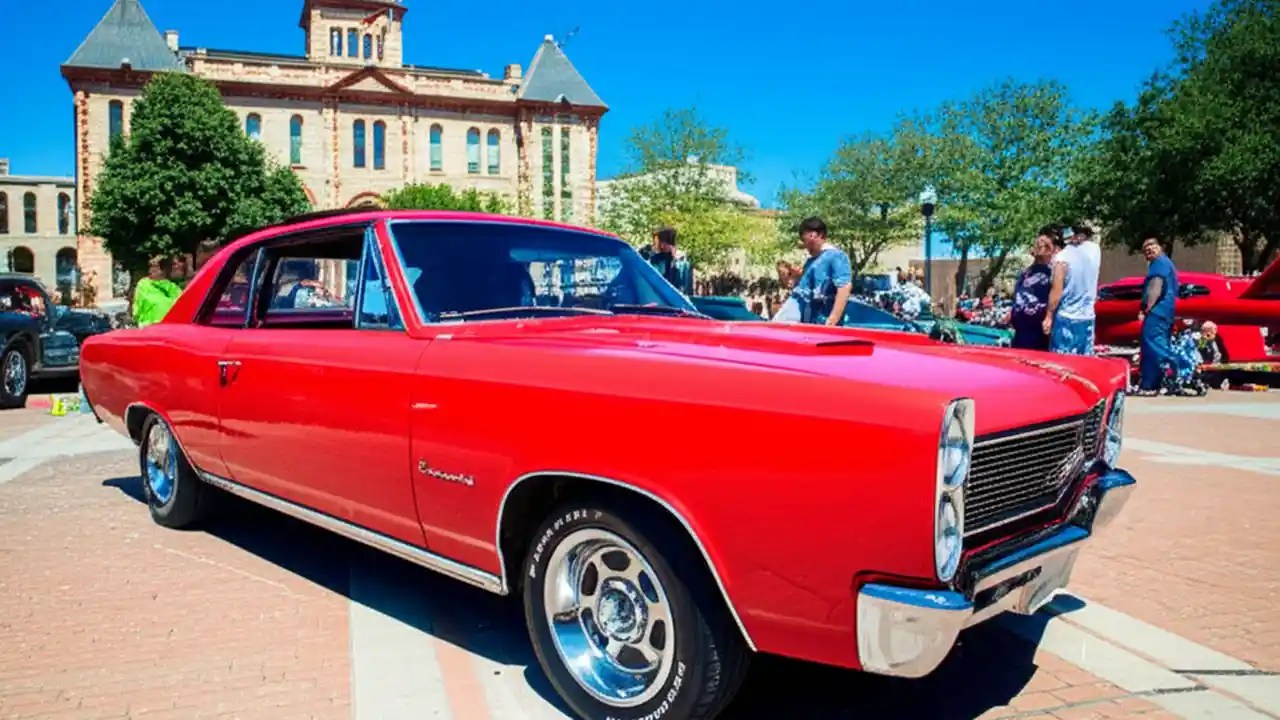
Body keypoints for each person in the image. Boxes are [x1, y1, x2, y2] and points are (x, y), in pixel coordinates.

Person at [1044, 223, 1101, 355]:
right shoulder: (1095, 250)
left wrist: (1048, 316)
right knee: (1085, 362)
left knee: (1061, 363)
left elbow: (1056, 291)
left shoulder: (1062, 257)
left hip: (1066, 317)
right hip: (1088, 316)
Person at [783, 217, 852, 326]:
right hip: (809, 321)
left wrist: (833, 319)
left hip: (823, 322)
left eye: (806, 240)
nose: (805, 245)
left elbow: (844, 287)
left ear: (818, 235)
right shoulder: (810, 262)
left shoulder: (836, 256)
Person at [1135, 237, 1179, 395]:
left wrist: (1147, 308)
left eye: (1152, 246)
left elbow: (1155, 287)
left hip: (1157, 312)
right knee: (1154, 347)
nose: (1149, 250)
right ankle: (1151, 383)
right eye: (1146, 250)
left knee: (1155, 345)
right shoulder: (1166, 263)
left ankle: (1179, 370)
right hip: (1165, 312)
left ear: (1160, 247)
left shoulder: (1159, 264)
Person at [1011, 231, 1057, 350]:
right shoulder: (1051, 274)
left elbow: (1016, 297)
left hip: (1021, 324)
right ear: (1051, 252)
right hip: (1038, 326)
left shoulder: (1025, 273)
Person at [132, 258, 184, 327]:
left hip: (170, 330)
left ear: (164, 270)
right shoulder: (143, 284)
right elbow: (136, 311)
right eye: (150, 266)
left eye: (154, 266)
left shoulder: (174, 288)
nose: (151, 270)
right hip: (150, 330)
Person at [646, 227, 694, 296]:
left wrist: (674, 260)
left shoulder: (682, 262)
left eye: (657, 242)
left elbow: (684, 287)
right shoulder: (654, 260)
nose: (657, 246)